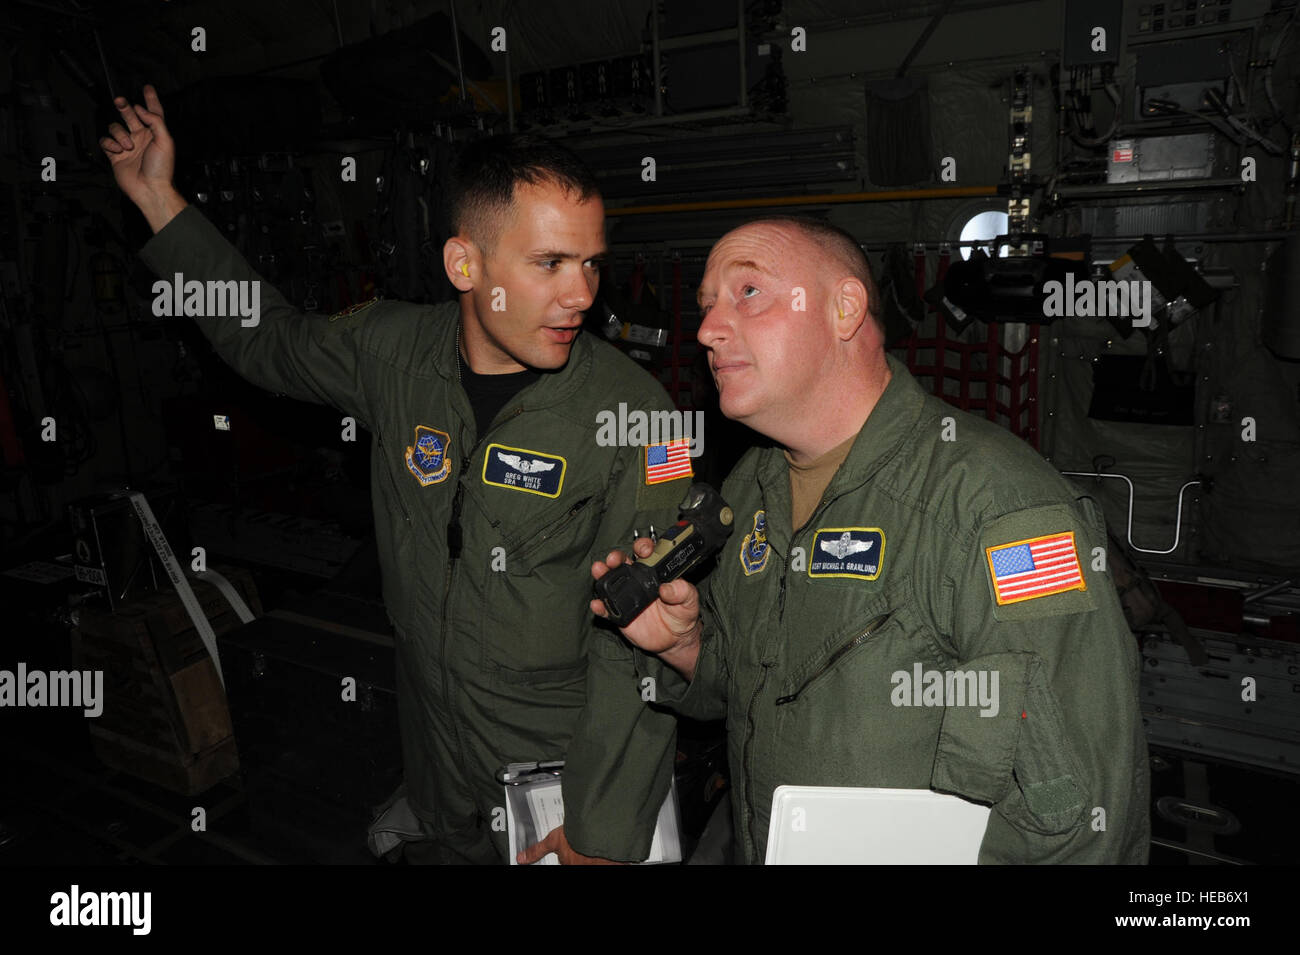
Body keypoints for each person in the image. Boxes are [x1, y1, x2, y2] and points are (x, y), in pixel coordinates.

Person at [100, 85, 690, 864]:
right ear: (465, 263)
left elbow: (647, 648)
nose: (582, 293)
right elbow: (265, 341)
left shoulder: (638, 418)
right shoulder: (391, 352)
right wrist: (159, 200)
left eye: (589, 263)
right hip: (439, 760)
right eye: (550, 263)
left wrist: (603, 829)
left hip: (565, 781)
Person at [593, 216, 1151, 864]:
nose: (709, 329)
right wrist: (688, 648)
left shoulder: (1000, 509)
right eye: (707, 306)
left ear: (844, 308)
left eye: (748, 293)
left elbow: (1083, 826)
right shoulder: (751, 489)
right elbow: (749, 690)